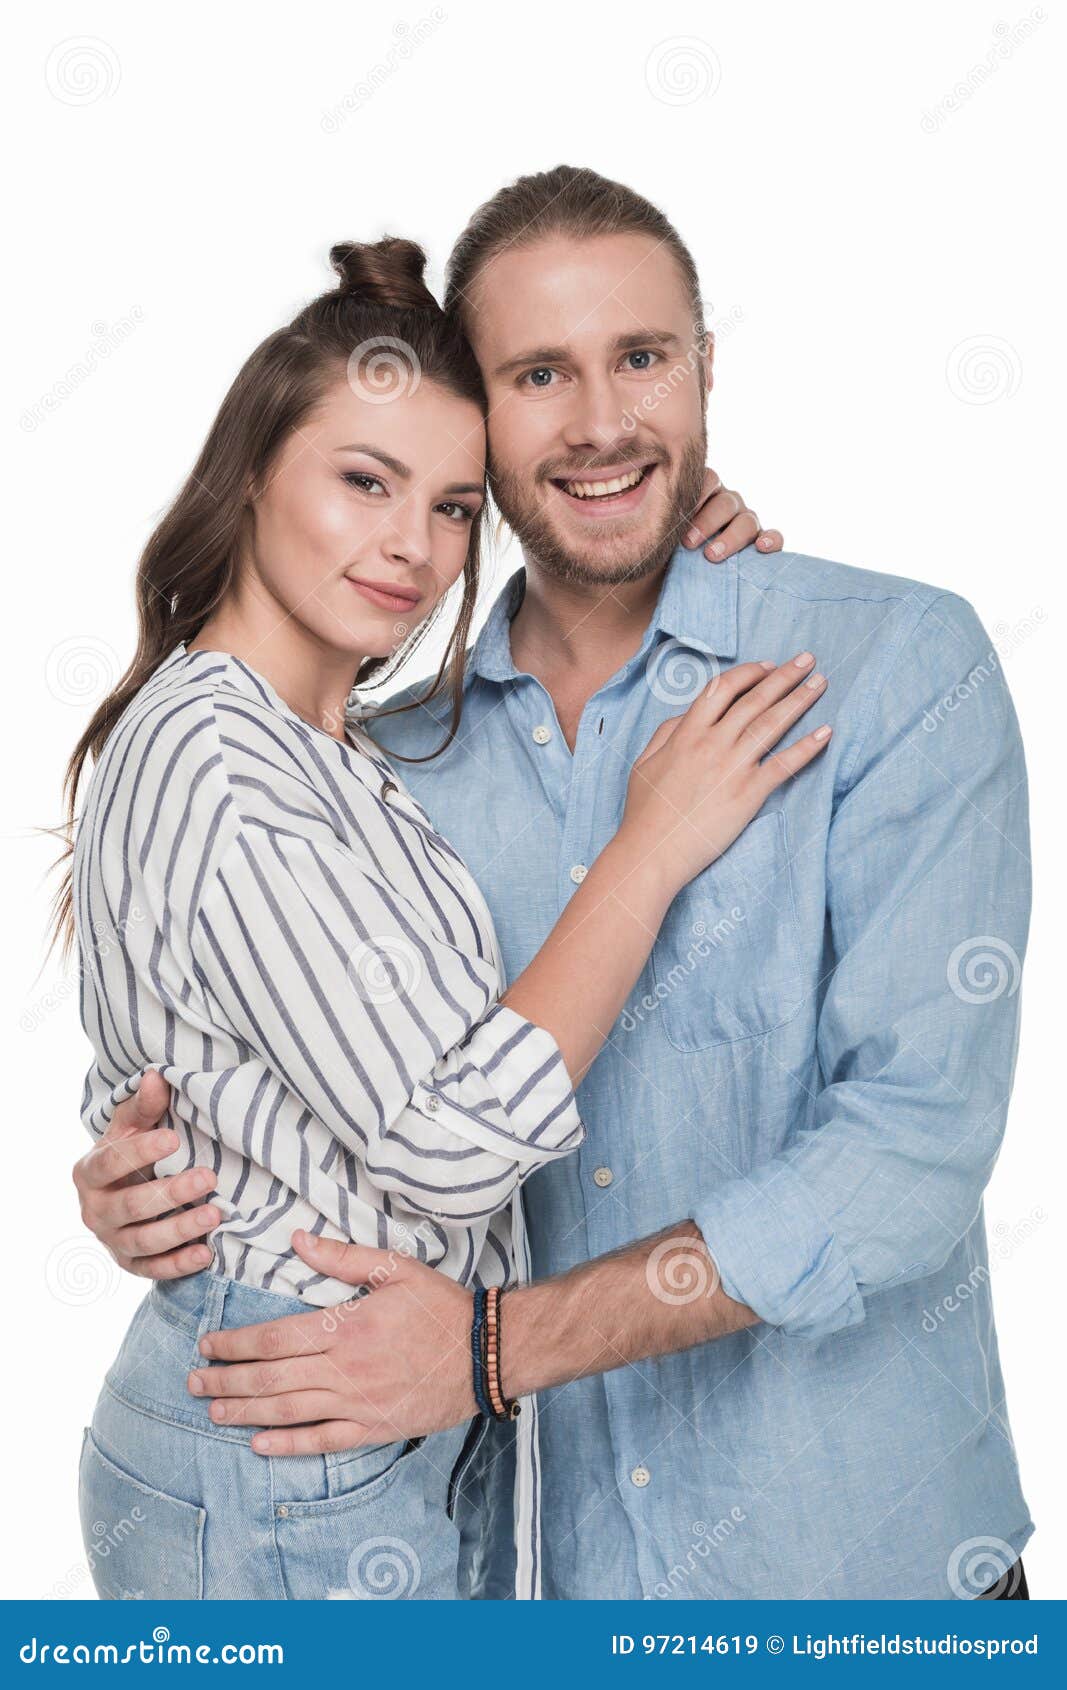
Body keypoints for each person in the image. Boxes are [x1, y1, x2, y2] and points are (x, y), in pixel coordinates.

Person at [78, 167, 1033, 1602]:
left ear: (708, 371)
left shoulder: (892, 668)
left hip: (866, 1576)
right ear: (484, 413)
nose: (597, 422)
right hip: (540, 1572)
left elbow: (908, 1151)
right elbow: (264, 1029)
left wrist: (492, 1347)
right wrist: (143, 1165)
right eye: (539, 374)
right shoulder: (390, 766)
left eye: (640, 358)